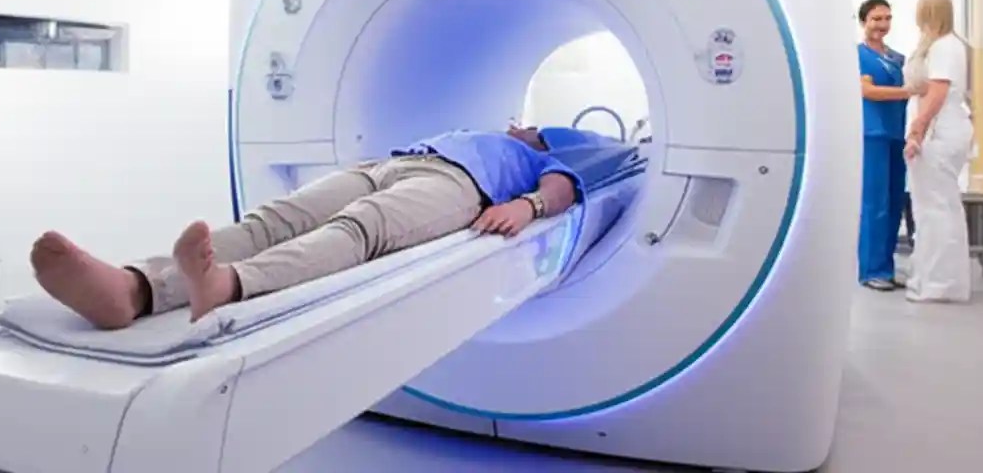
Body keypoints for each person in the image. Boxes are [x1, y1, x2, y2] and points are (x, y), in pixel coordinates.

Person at [31, 125, 594, 329]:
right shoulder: (477, 129)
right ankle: (133, 289)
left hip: (458, 187)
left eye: (529, 125)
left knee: (361, 228)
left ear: (547, 138)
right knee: (278, 218)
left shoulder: (536, 159)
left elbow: (564, 189)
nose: (517, 123)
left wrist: (528, 208)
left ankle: (226, 285)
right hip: (388, 162)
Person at [903, 0, 973, 303]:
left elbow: (937, 93)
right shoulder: (951, 46)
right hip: (946, 130)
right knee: (938, 207)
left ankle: (939, 284)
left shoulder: (944, 47)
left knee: (935, 210)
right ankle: (937, 280)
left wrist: (917, 130)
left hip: (939, 133)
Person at [856, 0, 915, 291]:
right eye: (876, 19)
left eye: (887, 18)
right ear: (863, 22)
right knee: (874, 203)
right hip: (873, 135)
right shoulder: (858, 54)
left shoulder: (897, 58)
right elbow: (867, 91)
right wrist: (908, 91)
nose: (882, 24)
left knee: (894, 203)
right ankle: (870, 270)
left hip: (896, 134)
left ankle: (887, 268)